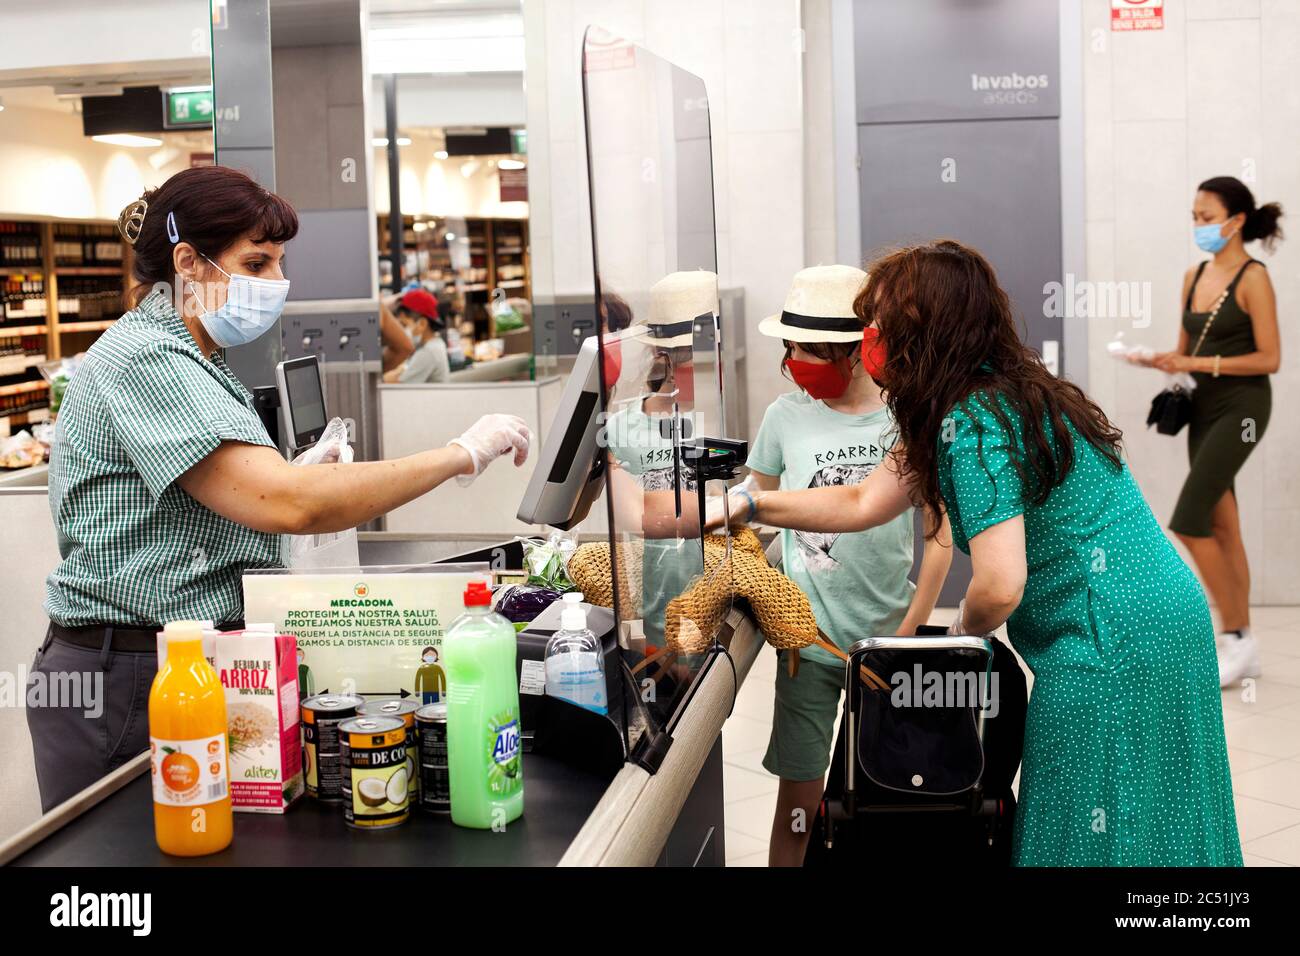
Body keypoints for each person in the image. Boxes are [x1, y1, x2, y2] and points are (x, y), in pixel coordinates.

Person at [717, 240, 1241, 866]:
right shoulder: (999, 394)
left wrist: (962, 632)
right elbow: (861, 502)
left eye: (882, 323)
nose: (871, 339)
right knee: (1167, 817)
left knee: (1084, 820)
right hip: (1165, 617)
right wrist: (750, 506)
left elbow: (999, 583)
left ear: (925, 330)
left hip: (1106, 637)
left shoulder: (973, 418)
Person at [29, 166, 533, 811]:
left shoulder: (194, 356)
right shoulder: (147, 359)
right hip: (128, 677)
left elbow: (253, 495)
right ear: (188, 262)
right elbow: (286, 503)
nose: (275, 284)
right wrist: (458, 455)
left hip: (181, 662)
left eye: (278, 264)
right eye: (256, 263)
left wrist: (300, 473)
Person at [742, 265, 952, 866]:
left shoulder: (905, 417)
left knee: (883, 799)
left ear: (855, 350)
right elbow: (759, 511)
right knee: (800, 807)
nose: (794, 363)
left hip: (887, 643)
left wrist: (908, 631)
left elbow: (940, 533)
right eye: (789, 352)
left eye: (806, 351)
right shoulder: (784, 417)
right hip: (804, 650)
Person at [1133, 177, 1283, 688]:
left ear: (1236, 221)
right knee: (1224, 526)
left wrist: (1195, 360)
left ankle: (1235, 638)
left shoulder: (1253, 277)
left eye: (1206, 216)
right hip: (1202, 406)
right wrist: (1159, 361)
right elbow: (1185, 355)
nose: (1198, 225)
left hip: (1243, 408)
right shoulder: (1193, 276)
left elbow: (1271, 358)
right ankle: (1248, 647)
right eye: (1194, 216)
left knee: (1190, 518)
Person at [383, 288, 451, 384]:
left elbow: (397, 383)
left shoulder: (429, 352)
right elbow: (401, 370)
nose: (401, 332)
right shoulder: (432, 345)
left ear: (422, 324)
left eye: (404, 325)